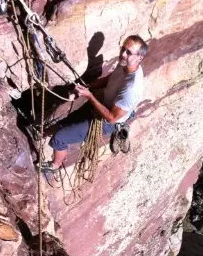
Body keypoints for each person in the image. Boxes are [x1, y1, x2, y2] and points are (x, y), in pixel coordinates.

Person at [39, 34, 148, 172]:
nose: (123, 54)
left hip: (107, 121)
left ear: (140, 57)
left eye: (129, 52)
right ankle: (43, 132)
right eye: (123, 49)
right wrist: (88, 87)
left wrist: (89, 96)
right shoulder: (125, 65)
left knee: (60, 138)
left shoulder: (132, 88)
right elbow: (109, 79)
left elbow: (111, 117)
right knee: (68, 121)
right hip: (104, 102)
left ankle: (54, 166)